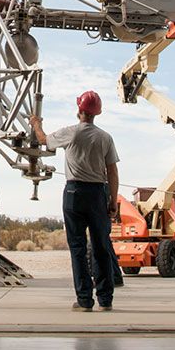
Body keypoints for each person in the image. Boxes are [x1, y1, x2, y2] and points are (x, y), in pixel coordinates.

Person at [29, 90, 120, 313]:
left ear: (79, 110)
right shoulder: (105, 138)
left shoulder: (71, 133)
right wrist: (113, 201)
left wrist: (35, 123)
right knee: (101, 247)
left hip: (74, 193)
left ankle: (84, 300)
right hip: (99, 192)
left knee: (78, 247)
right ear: (97, 113)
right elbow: (113, 171)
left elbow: (43, 140)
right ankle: (106, 299)